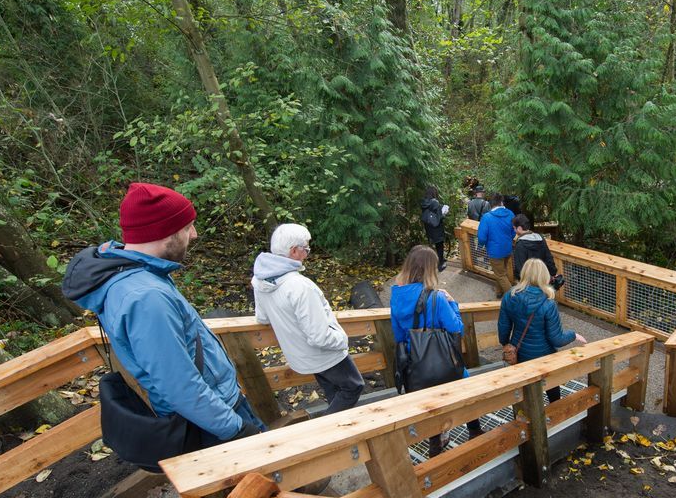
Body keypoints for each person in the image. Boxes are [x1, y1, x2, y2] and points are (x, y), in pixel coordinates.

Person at [62, 183, 264, 452]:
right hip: (215, 421)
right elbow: (179, 384)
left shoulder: (137, 275)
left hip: (213, 410)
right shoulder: (145, 297)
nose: (194, 234)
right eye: (187, 227)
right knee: (271, 482)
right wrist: (235, 428)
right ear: (162, 232)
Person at [251, 223, 364, 416]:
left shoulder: (260, 281)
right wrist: (343, 339)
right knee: (353, 387)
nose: (307, 254)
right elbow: (320, 337)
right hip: (326, 355)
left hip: (301, 356)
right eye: (306, 249)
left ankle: (340, 431)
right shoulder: (300, 286)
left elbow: (262, 317)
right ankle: (326, 429)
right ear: (294, 251)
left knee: (334, 393)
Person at [390, 245, 483, 456]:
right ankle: (475, 431)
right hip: (442, 361)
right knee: (466, 390)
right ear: (428, 270)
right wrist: (454, 304)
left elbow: (397, 335)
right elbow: (456, 328)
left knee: (429, 404)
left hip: (415, 364)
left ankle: (436, 445)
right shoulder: (436, 297)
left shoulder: (396, 295)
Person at [498, 259, 586, 406]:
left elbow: (503, 328)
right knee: (551, 386)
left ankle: (524, 418)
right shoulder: (548, 302)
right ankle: (555, 411)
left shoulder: (509, 296)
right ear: (544, 276)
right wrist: (573, 335)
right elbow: (556, 339)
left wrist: (506, 344)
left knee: (524, 389)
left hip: (520, 353)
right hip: (544, 356)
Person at [477, 193, 516, 298]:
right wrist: (509, 239)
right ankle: (499, 292)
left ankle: (513, 299)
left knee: (501, 274)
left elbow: (481, 237)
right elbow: (514, 231)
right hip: (507, 249)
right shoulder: (510, 214)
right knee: (501, 271)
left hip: (495, 251)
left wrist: (485, 244)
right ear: (501, 202)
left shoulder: (487, 217)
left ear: (491, 204)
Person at [512, 214, 559, 282]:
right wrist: (553, 273)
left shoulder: (520, 245)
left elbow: (520, 268)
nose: (514, 230)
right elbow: (549, 258)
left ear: (519, 228)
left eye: (514, 228)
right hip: (543, 278)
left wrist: (520, 280)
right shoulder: (540, 238)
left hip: (529, 282)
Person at [420, 186, 450, 272]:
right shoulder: (435, 202)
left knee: (433, 244)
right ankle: (440, 265)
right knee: (439, 245)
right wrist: (444, 212)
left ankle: (437, 260)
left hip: (429, 227)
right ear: (434, 193)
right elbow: (439, 216)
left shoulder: (424, 202)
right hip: (436, 227)